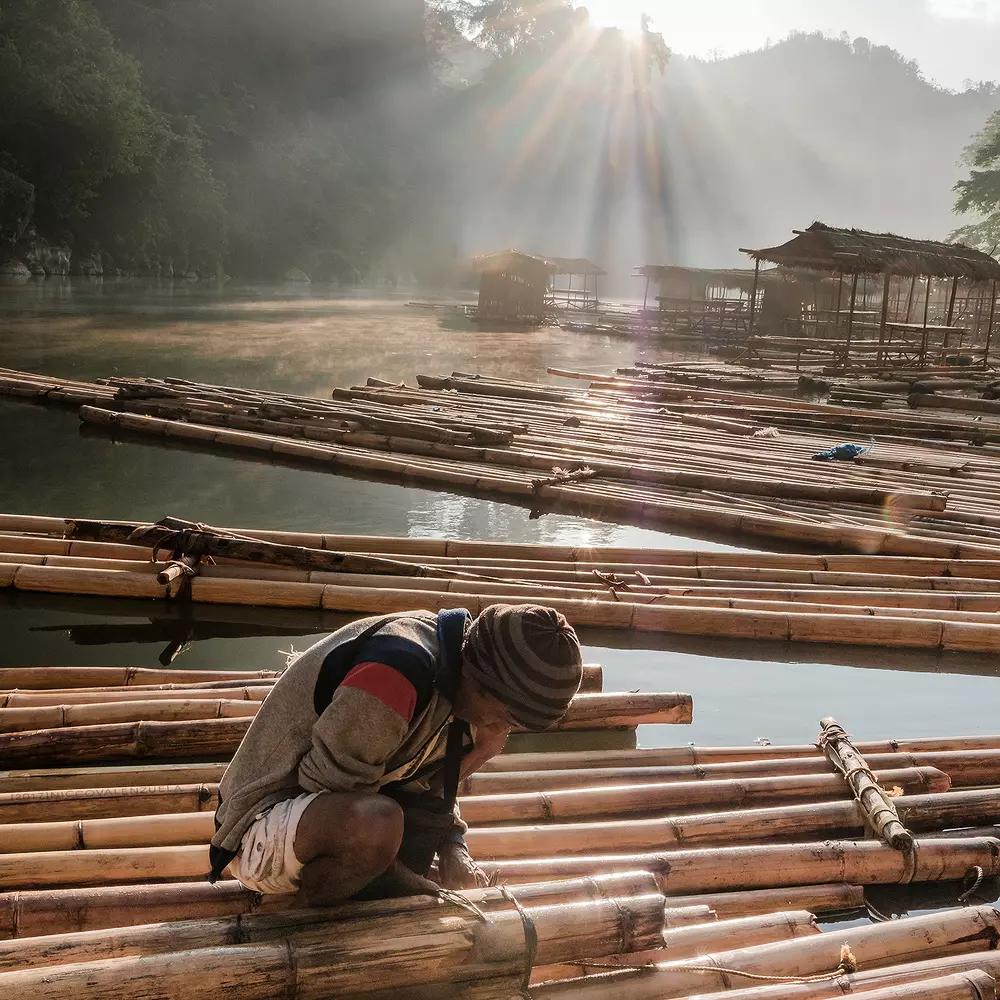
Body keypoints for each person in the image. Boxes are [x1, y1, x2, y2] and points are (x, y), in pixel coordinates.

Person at [208, 603, 583, 904]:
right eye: (503, 718)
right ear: (477, 680)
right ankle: (322, 909)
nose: (501, 732)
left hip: (327, 816)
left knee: (407, 831)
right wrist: (420, 886)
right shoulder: (395, 675)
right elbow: (326, 790)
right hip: (259, 829)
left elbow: (426, 785)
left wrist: (454, 847)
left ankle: (371, 888)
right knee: (378, 824)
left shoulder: (460, 668)